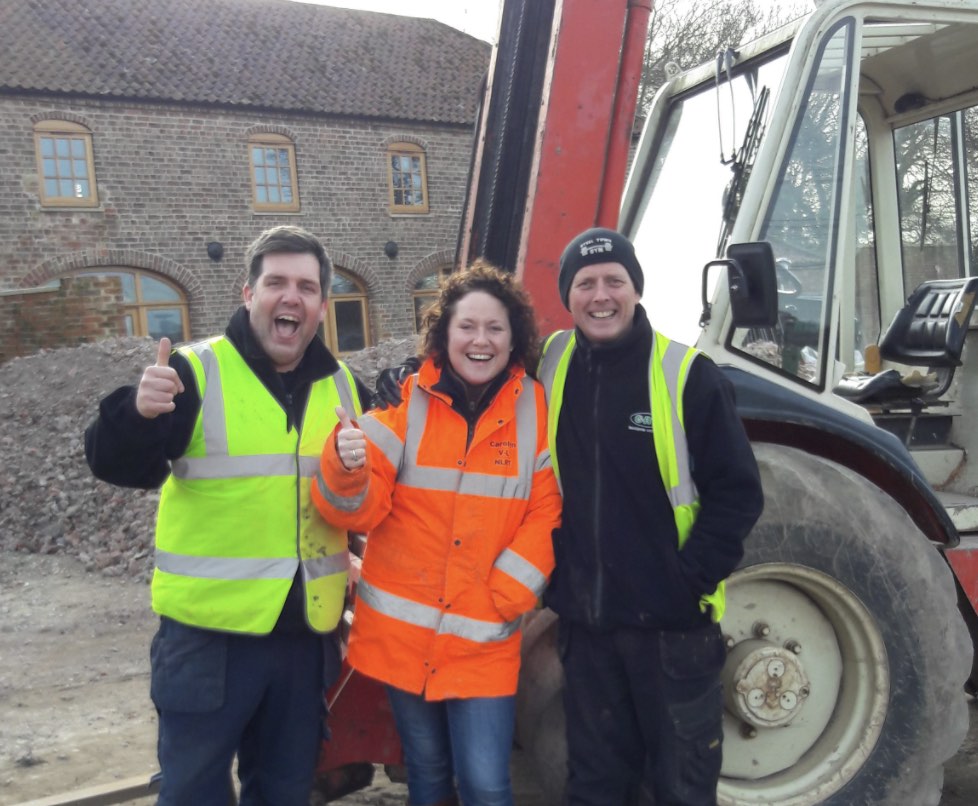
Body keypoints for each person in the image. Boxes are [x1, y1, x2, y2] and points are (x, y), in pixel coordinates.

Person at [84, 225, 370, 805]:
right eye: (277, 283)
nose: (292, 297)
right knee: (194, 793)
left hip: (302, 642)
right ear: (248, 294)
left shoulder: (344, 388)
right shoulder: (194, 374)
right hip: (208, 644)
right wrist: (137, 416)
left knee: (285, 792)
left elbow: (371, 494)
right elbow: (115, 462)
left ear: (321, 303)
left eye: (307, 287)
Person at [312, 261, 562, 806]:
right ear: (443, 334)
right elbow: (357, 508)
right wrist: (344, 462)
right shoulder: (405, 403)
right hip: (404, 641)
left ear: (513, 337)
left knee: (486, 784)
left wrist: (510, 593)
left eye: (495, 328)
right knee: (425, 774)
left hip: (482, 639)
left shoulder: (535, 409)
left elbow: (546, 510)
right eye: (466, 326)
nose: (480, 340)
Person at [536, 227, 764, 805]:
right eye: (584, 283)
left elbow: (737, 494)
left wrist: (685, 583)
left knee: (680, 788)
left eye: (615, 280)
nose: (600, 295)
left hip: (670, 631)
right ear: (568, 297)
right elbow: (475, 352)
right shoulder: (552, 363)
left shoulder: (688, 376)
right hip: (588, 628)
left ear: (636, 290)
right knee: (595, 786)